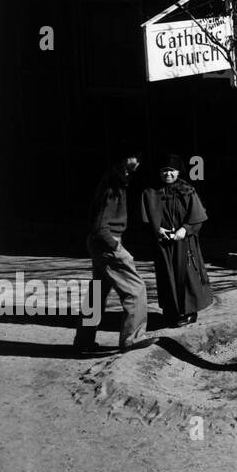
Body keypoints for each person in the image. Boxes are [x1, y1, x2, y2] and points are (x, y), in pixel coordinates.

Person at [73, 150, 150, 356]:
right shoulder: (112, 188)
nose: (137, 164)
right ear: (122, 162)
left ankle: (84, 340)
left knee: (97, 292)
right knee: (136, 290)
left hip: (100, 242)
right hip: (107, 242)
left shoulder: (114, 181)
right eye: (133, 159)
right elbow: (100, 226)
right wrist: (116, 247)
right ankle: (132, 339)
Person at [141, 154, 214, 327]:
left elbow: (197, 216)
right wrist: (157, 229)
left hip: (184, 242)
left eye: (171, 171)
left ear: (178, 172)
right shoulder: (149, 192)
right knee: (166, 276)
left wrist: (185, 229)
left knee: (186, 276)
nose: (168, 174)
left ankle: (189, 311)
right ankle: (171, 311)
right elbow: (145, 218)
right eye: (164, 171)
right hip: (163, 243)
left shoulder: (187, 190)